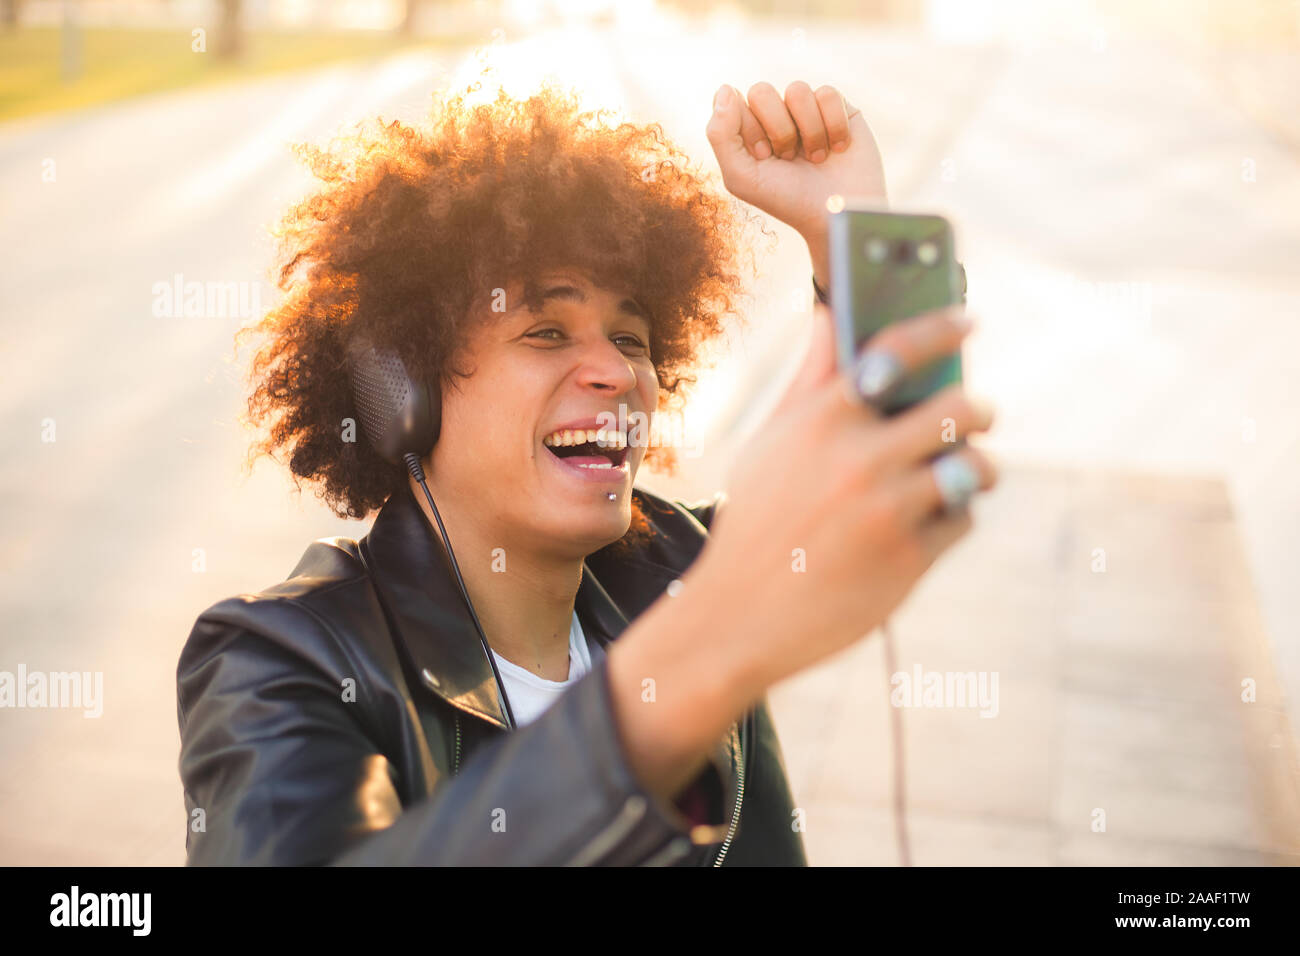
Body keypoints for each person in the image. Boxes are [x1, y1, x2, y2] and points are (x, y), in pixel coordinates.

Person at [175, 80, 996, 866]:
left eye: (632, 339)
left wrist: (852, 235)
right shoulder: (281, 661)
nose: (615, 373)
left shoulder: (684, 561)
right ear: (403, 390)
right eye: (546, 333)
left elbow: (900, 461)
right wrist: (695, 658)